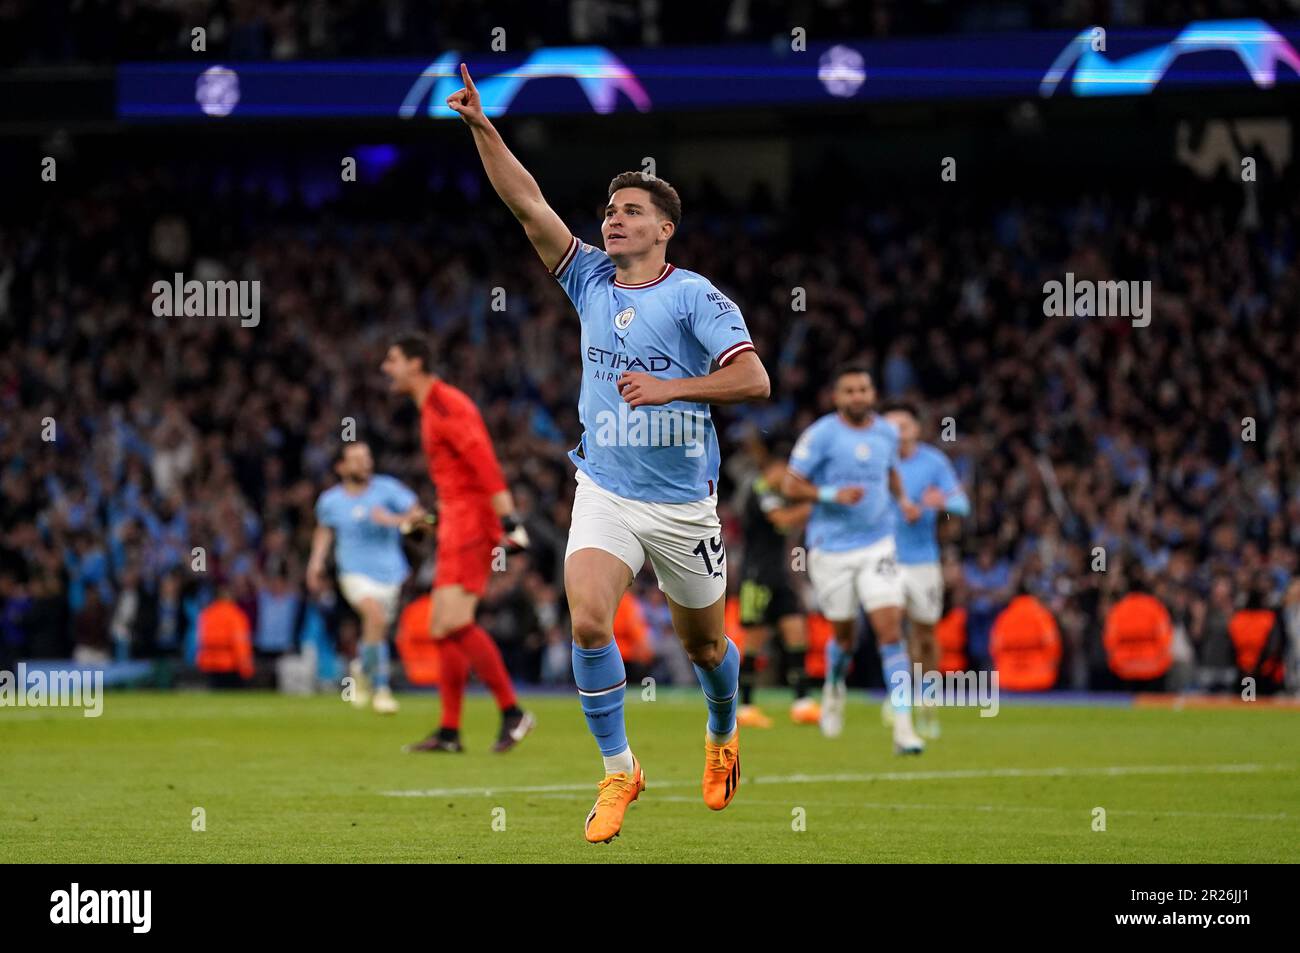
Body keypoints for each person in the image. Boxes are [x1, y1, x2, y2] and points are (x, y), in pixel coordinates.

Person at [448, 63, 770, 842]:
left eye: (630, 211)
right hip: (606, 488)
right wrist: (484, 129)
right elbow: (527, 204)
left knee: (703, 644)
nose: (613, 220)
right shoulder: (589, 276)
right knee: (589, 619)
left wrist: (673, 389)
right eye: (609, 210)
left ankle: (722, 735)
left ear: (664, 228)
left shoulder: (695, 295)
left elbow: (754, 379)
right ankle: (619, 768)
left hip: (684, 502)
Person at [382, 336, 536, 753]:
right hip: (457, 520)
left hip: (472, 522)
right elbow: (458, 475)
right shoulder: (431, 406)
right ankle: (450, 732)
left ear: (416, 363)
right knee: (442, 627)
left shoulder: (445, 403)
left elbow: (482, 460)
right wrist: (432, 518)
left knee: (451, 622)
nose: (385, 367)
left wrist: (509, 520)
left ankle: (513, 712)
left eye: (393, 359)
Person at [782, 365, 925, 754]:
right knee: (844, 634)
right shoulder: (821, 435)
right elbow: (789, 484)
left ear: (873, 393)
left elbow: (891, 472)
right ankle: (833, 687)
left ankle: (904, 726)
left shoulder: (886, 432)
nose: (858, 396)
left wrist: (905, 501)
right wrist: (831, 495)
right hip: (831, 548)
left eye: (864, 388)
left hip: (879, 545)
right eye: (850, 391)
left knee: (891, 630)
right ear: (837, 397)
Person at [308, 442, 423, 714]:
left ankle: (361, 669)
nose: (365, 464)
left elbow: (421, 517)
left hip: (391, 573)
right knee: (375, 618)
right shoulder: (330, 501)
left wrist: (395, 520)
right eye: (357, 459)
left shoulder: (388, 489)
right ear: (341, 467)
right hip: (353, 572)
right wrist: (315, 564)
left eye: (367, 458)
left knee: (377, 629)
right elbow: (324, 532)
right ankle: (382, 689)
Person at [881, 401, 969, 738]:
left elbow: (962, 503)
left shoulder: (934, 462)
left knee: (925, 635)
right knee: (891, 628)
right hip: (885, 559)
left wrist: (939, 503)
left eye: (902, 426)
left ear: (916, 429)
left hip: (922, 561)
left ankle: (929, 701)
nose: (895, 434)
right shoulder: (877, 463)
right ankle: (899, 698)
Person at [737, 449, 812, 728]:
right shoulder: (760, 488)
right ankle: (744, 705)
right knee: (754, 639)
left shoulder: (776, 493)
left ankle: (802, 702)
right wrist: (818, 504)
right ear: (775, 467)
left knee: (796, 633)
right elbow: (781, 519)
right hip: (757, 576)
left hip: (779, 575)